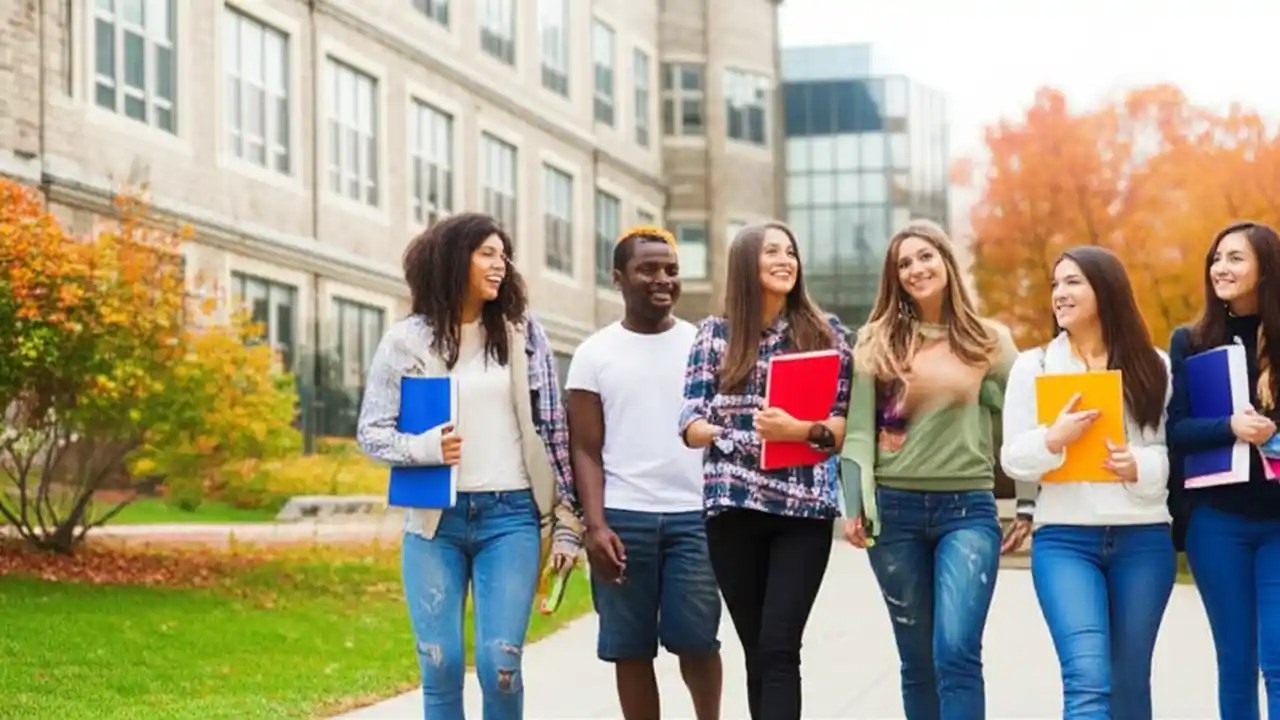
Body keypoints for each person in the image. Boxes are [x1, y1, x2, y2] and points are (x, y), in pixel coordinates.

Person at [356, 212, 582, 720]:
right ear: (453, 258)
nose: (499, 265)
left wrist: (569, 523)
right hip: (436, 521)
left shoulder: (523, 336)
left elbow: (554, 433)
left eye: (503, 255)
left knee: (501, 665)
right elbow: (371, 432)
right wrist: (425, 449)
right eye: (487, 253)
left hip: (511, 517)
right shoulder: (407, 340)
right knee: (440, 665)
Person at [841, 218, 1019, 720]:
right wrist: (854, 504)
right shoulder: (876, 340)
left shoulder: (990, 340)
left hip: (968, 511)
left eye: (925, 257)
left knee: (957, 652)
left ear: (946, 261)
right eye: (904, 263)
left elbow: (1027, 416)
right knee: (917, 660)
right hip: (893, 515)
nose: (916, 269)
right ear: (894, 277)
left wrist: (1028, 500)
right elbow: (858, 432)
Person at [678, 222, 851, 720]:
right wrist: (740, 436)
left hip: (803, 509)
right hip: (733, 509)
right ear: (745, 264)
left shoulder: (826, 333)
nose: (785, 259)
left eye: (791, 251)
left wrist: (797, 430)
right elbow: (690, 421)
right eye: (772, 251)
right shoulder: (715, 334)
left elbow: (842, 424)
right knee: (757, 650)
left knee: (779, 646)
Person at [1000, 246, 1175, 719]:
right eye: (1056, 284)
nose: (1060, 293)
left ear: (1106, 289)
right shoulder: (1032, 367)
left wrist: (1138, 467)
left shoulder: (1154, 365)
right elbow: (1014, 459)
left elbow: (1165, 455)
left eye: (1073, 281)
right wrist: (1053, 440)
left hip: (1143, 539)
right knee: (1087, 680)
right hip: (1064, 541)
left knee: (1130, 683)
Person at [565, 226, 723, 720]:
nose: (662, 279)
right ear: (618, 278)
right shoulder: (594, 355)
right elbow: (585, 450)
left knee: (697, 640)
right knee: (629, 648)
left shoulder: (704, 345)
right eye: (648, 269)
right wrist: (595, 527)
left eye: (671, 270)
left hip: (694, 517)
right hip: (623, 518)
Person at [1167, 221, 1280, 720]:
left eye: (1235, 257)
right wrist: (1230, 426)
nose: (1221, 267)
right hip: (1217, 522)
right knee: (1235, 663)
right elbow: (1175, 431)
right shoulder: (1191, 341)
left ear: (1265, 268)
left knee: (1278, 660)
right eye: (1216, 258)